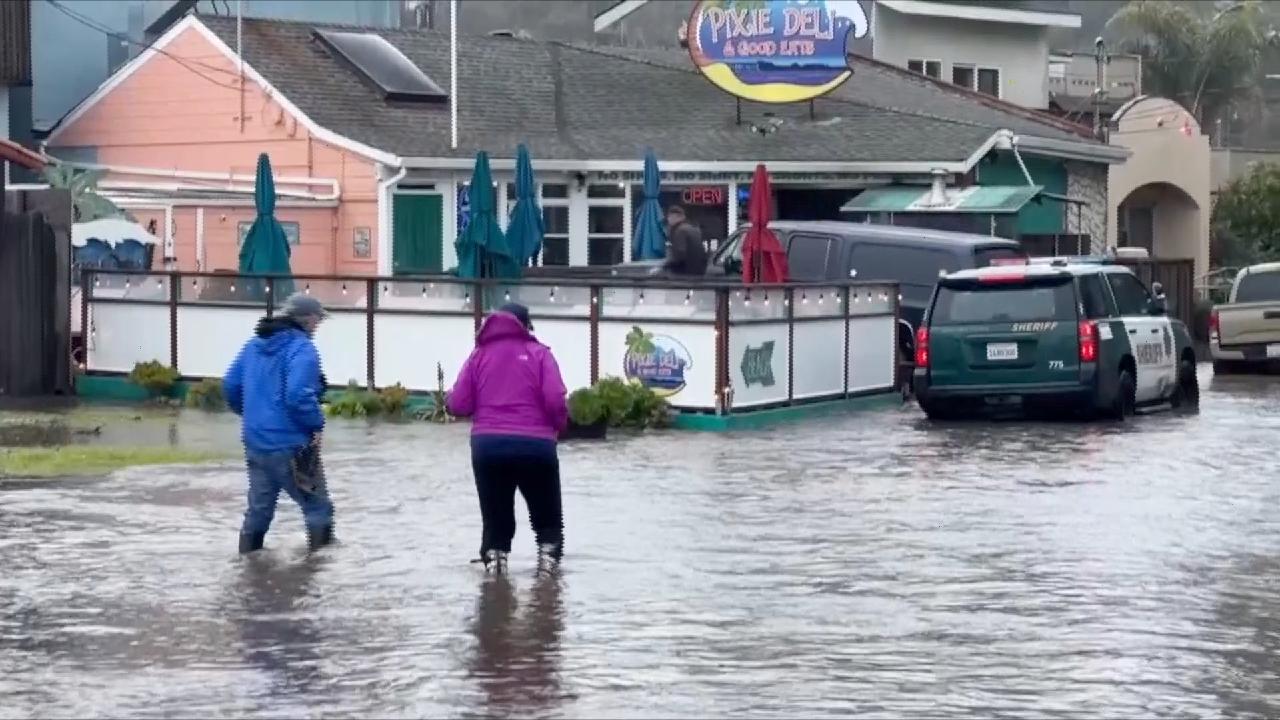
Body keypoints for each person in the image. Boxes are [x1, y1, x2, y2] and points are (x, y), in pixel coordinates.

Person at [447, 303, 568, 574]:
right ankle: (548, 573)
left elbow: (458, 404)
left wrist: (447, 400)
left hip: (487, 448)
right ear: (527, 326)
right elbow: (555, 400)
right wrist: (559, 427)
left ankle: (495, 569)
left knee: (496, 516)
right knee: (547, 518)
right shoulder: (540, 355)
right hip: (536, 447)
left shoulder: (478, 356)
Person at [224, 293, 334, 554]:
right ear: (307, 320)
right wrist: (316, 424)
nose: (318, 326)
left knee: (258, 510)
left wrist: (252, 416)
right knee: (318, 507)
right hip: (292, 445)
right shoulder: (302, 348)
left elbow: (230, 385)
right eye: (317, 320)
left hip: (256, 442)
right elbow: (298, 395)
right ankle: (321, 574)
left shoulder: (253, 344)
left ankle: (247, 566)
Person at [662, 204, 708, 276]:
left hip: (685, 274)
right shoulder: (693, 228)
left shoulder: (680, 230)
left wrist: (665, 266)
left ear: (676, 217)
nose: (668, 220)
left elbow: (679, 255)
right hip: (699, 272)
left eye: (669, 217)